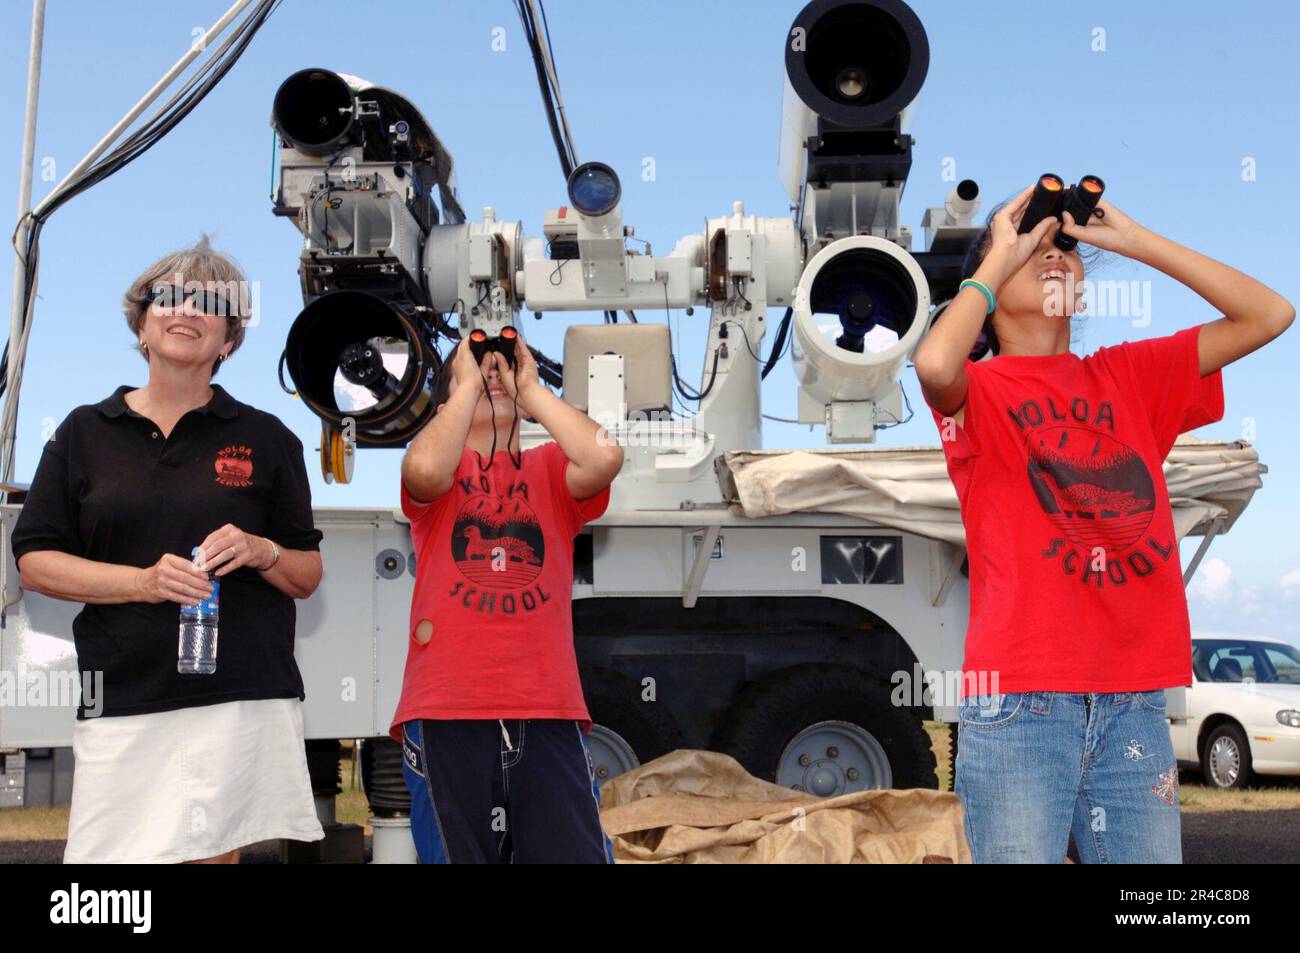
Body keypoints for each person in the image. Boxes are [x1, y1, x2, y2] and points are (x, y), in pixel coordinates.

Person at [914, 183, 1294, 863]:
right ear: (994, 284)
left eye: (1068, 246)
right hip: (1022, 703)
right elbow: (936, 361)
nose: (1054, 255)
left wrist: (1135, 242)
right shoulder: (982, 393)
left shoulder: (1129, 377)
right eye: (1035, 246)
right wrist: (1001, 252)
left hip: (1136, 702)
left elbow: (1270, 313)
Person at [11, 237, 327, 864]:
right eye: (170, 296)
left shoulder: (267, 438)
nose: (187, 309)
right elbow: (35, 561)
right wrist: (144, 583)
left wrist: (264, 551)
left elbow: (307, 573)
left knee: (213, 857)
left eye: (211, 302)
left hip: (236, 692)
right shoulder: (83, 432)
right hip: (120, 689)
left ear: (229, 339)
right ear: (142, 323)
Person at [392, 329, 623, 863]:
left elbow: (606, 457)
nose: (491, 375)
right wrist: (468, 385)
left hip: (547, 710)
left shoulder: (549, 473)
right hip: (448, 709)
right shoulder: (444, 476)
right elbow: (423, 470)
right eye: (475, 371)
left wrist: (533, 392)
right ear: (452, 397)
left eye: (502, 369)